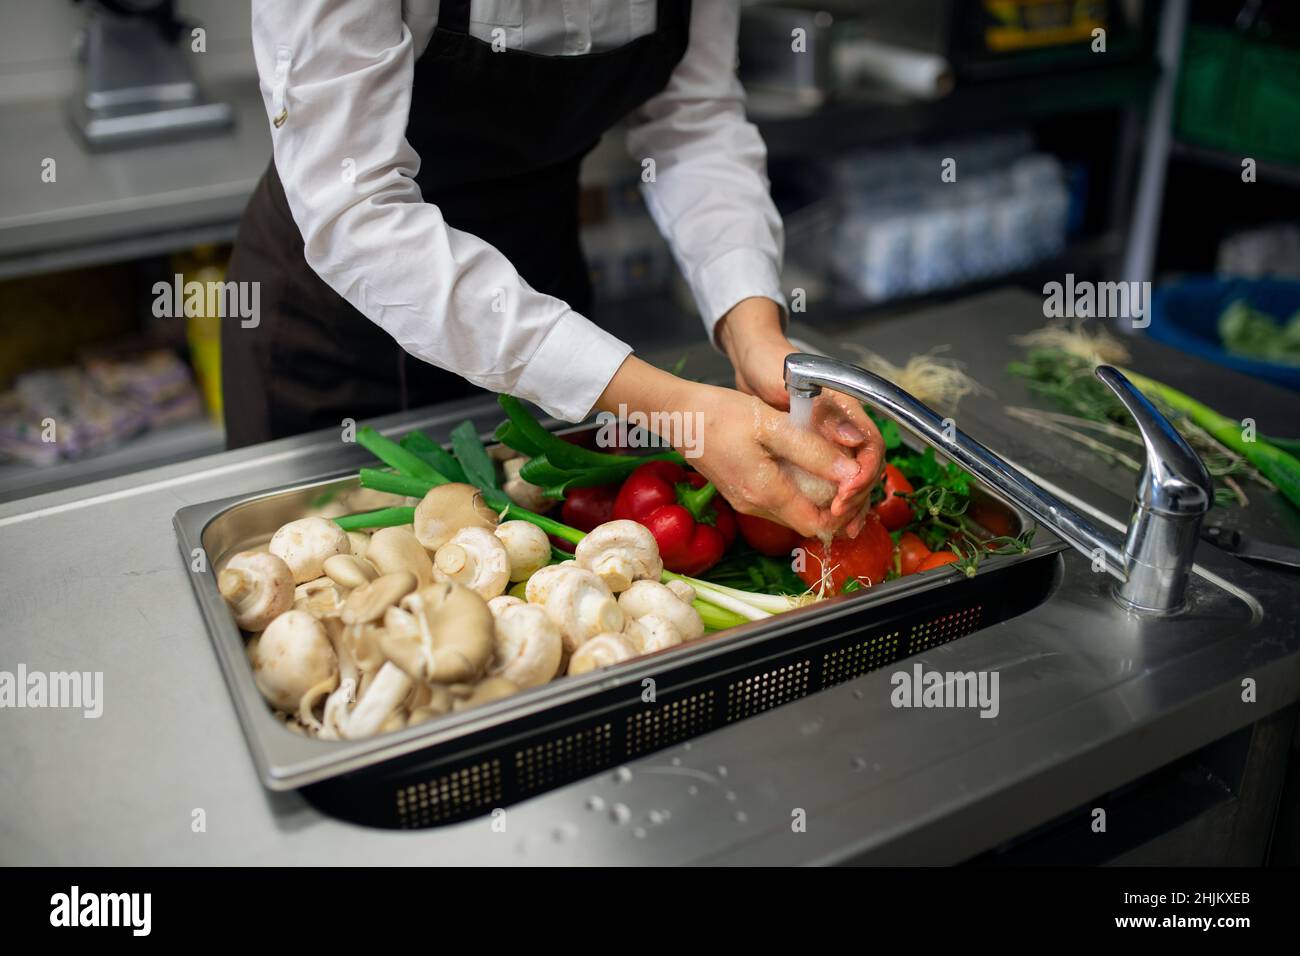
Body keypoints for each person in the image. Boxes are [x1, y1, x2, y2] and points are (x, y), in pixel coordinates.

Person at [222, 0, 883, 536]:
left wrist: (754, 329)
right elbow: (355, 208)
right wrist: (675, 409)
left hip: (546, 301)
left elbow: (693, 120)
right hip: (342, 327)